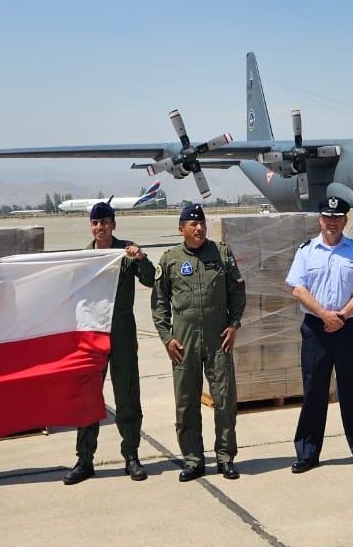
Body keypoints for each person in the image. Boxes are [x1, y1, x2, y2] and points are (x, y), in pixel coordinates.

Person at [286, 195, 353, 473]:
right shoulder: (306, 251)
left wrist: (341, 316)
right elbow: (298, 289)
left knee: (352, 390)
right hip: (316, 329)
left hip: (348, 327)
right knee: (314, 391)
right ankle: (307, 453)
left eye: (337, 218)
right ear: (320, 219)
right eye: (327, 217)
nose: (332, 222)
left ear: (345, 220)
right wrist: (325, 315)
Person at [152, 203, 246, 481]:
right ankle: (193, 460)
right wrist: (167, 338)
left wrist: (234, 324)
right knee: (186, 402)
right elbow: (159, 304)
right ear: (181, 229)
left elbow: (237, 293)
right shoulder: (170, 259)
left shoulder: (222, 254)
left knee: (225, 399)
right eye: (192, 224)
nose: (199, 227)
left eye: (202, 222)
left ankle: (225, 457)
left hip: (218, 339)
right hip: (184, 342)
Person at [64, 201, 156, 485]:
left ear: (113, 224)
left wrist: (140, 258)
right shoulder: (84, 258)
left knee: (127, 395)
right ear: (90, 226)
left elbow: (151, 279)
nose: (100, 228)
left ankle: (131, 456)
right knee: (88, 396)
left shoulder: (126, 253)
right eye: (95, 223)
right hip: (92, 335)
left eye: (104, 222)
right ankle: (84, 459)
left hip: (122, 335)